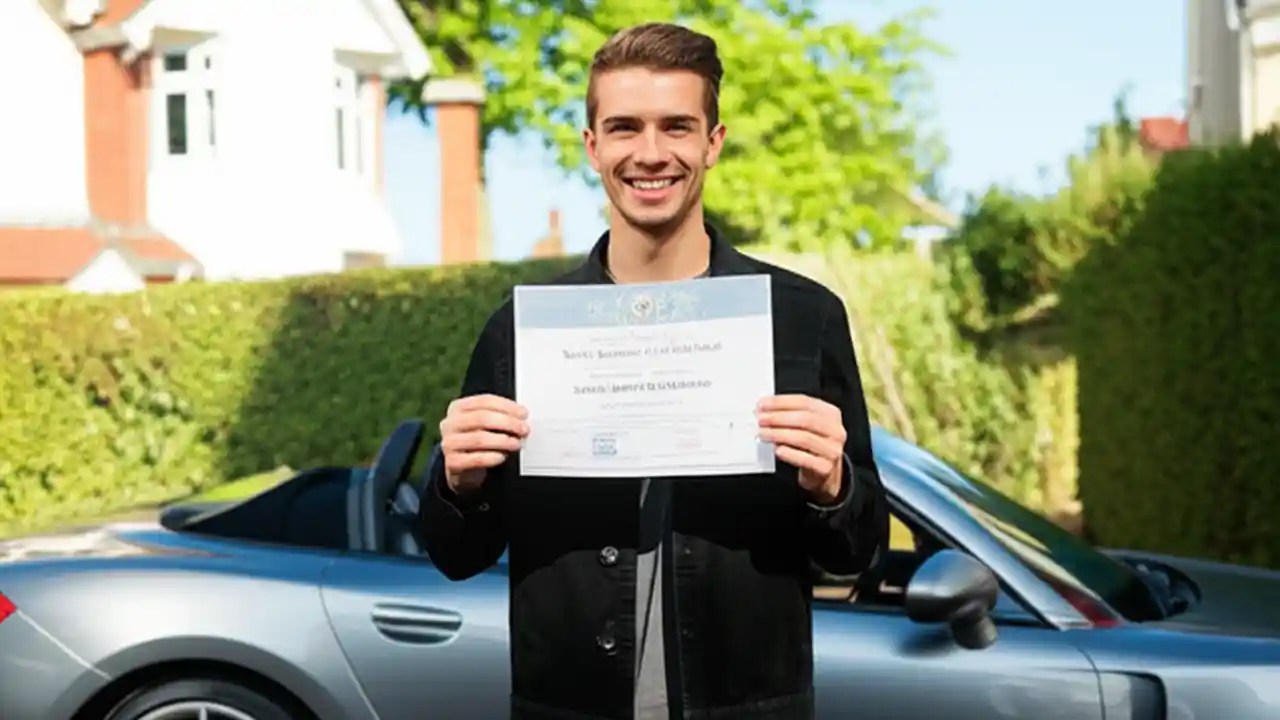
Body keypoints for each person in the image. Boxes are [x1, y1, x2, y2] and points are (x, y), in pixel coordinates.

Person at [420, 21, 889, 720]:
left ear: (713, 142)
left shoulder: (802, 317)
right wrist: (458, 482)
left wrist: (833, 486)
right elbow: (455, 554)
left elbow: (860, 550)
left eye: (676, 127)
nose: (650, 153)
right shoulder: (524, 330)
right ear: (592, 146)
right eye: (624, 128)